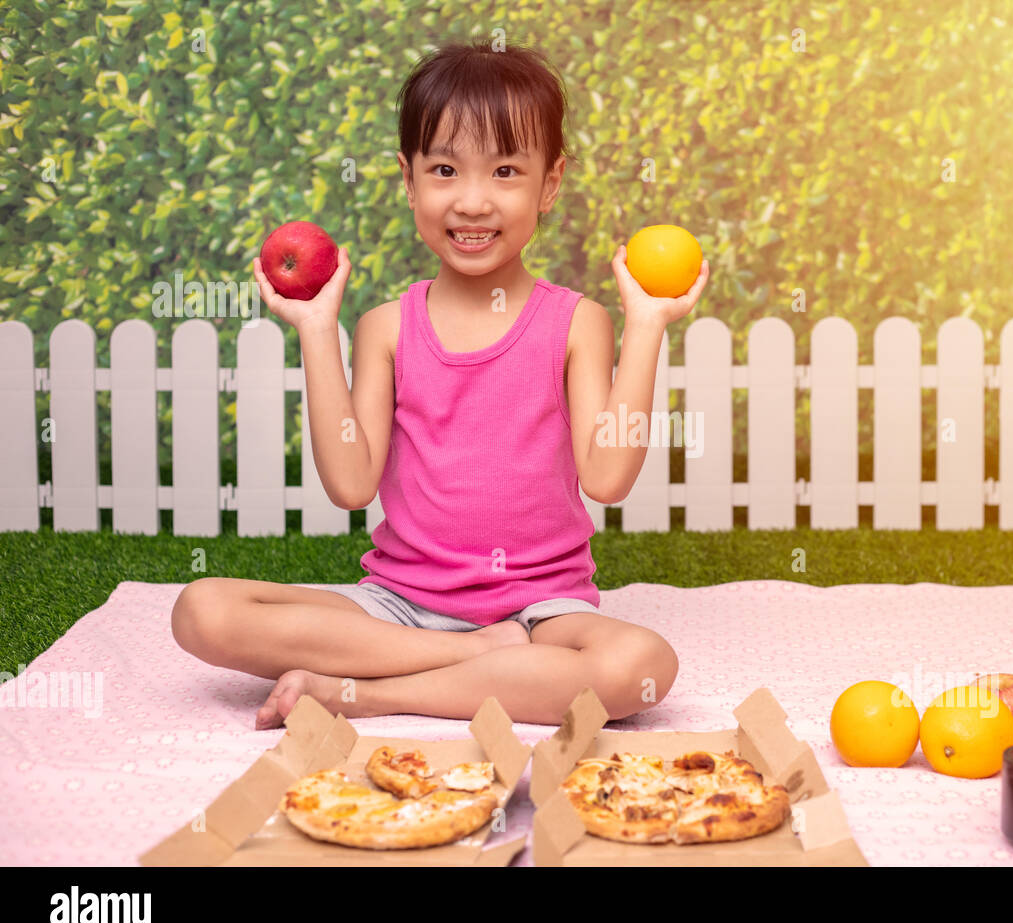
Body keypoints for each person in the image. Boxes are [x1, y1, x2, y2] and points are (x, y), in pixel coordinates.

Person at [171, 40, 709, 730]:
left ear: (551, 182)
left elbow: (606, 479)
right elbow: (350, 484)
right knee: (202, 611)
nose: (473, 201)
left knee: (639, 666)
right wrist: (315, 328)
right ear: (409, 179)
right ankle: (465, 658)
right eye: (446, 169)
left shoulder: (579, 323)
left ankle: (364, 692)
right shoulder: (385, 328)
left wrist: (648, 324)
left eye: (507, 170)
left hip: (539, 612)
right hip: (398, 604)